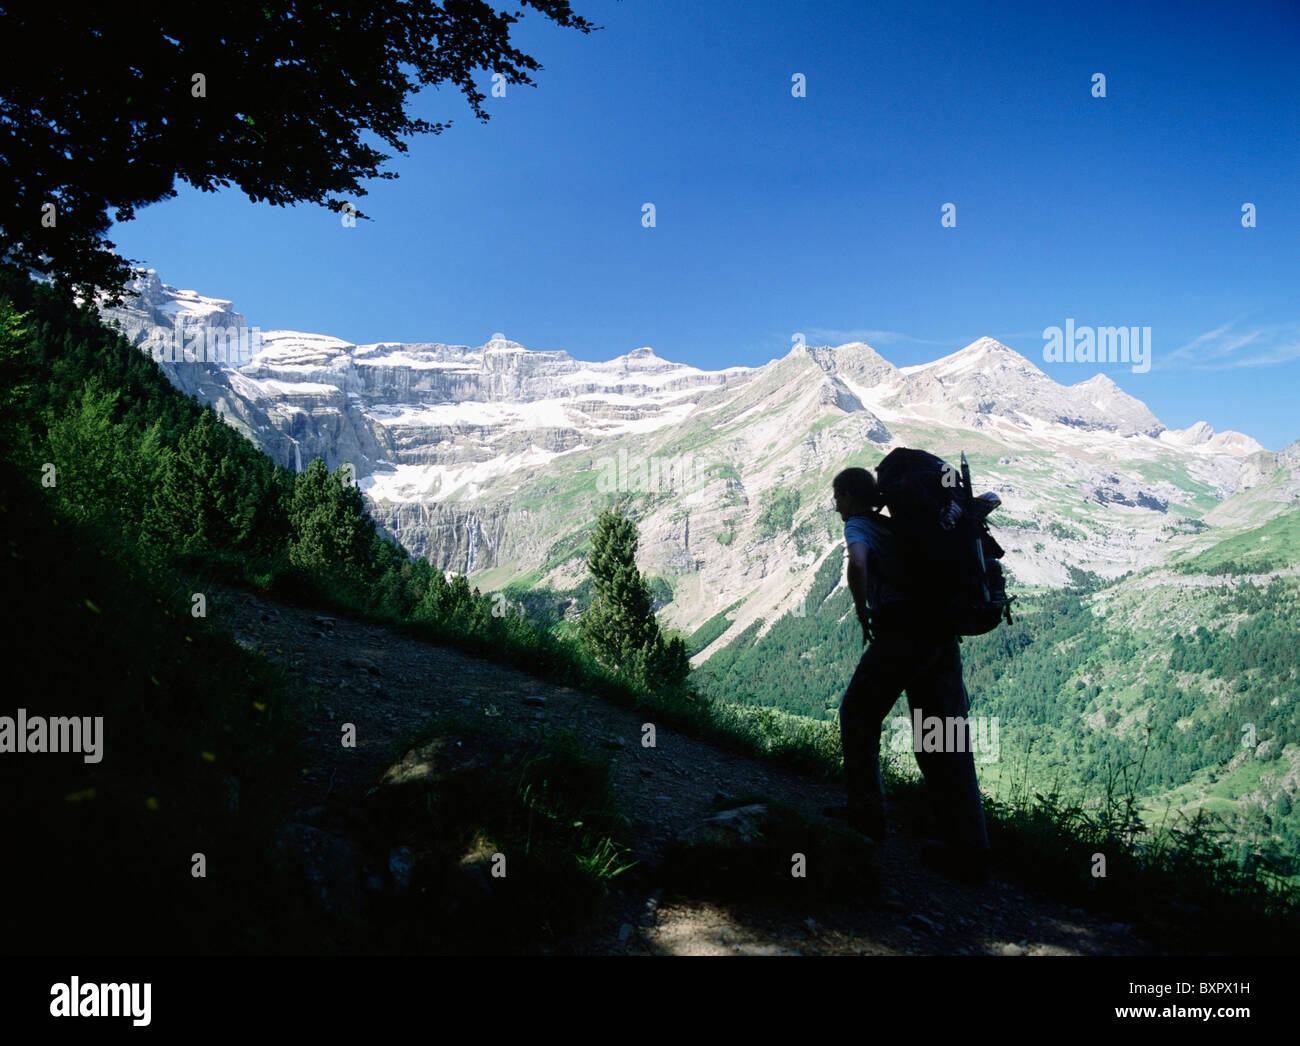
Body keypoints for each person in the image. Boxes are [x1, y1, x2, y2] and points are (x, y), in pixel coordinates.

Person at [829, 465, 992, 883]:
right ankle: (971, 850)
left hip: (902, 635)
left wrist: (862, 609)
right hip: (940, 636)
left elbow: (859, 565)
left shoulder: (860, 527)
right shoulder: (901, 526)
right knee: (944, 737)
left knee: (858, 715)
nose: (835, 505)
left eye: (837, 497)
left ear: (849, 496)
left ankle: (866, 819)